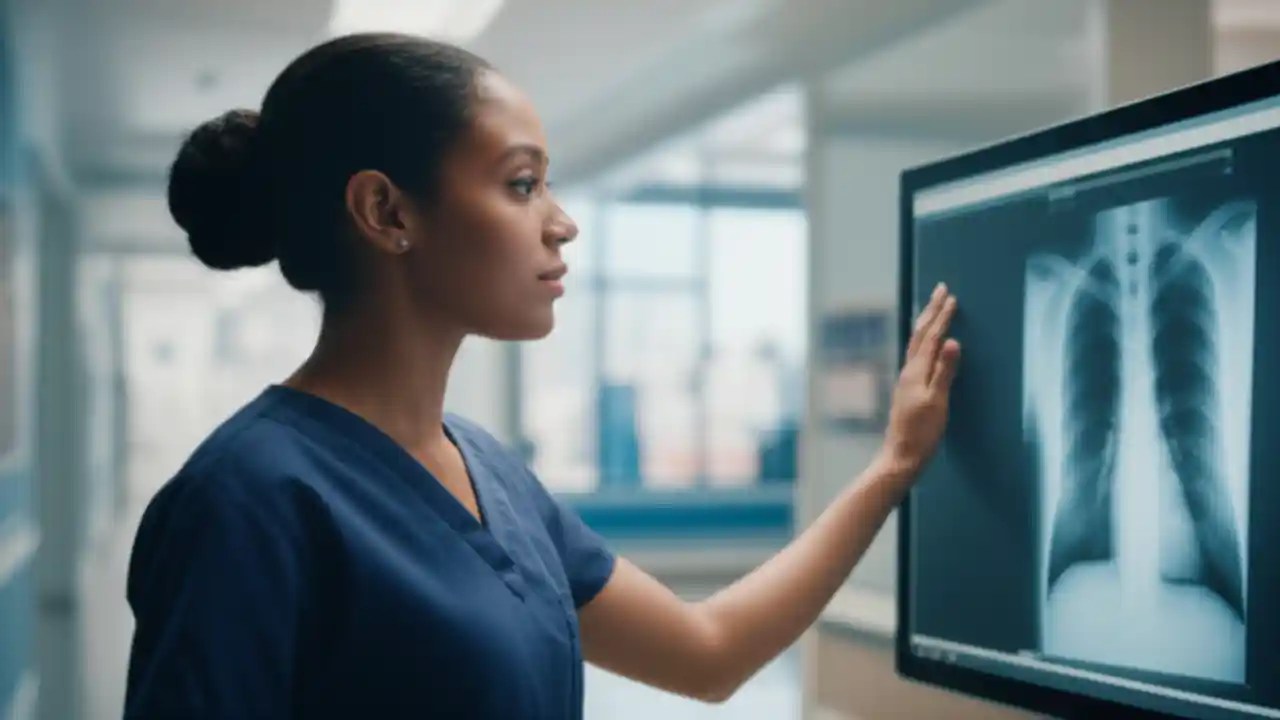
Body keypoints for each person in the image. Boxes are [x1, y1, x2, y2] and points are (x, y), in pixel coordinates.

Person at [122, 32, 961, 720]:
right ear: (387, 212)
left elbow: (709, 654)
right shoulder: (247, 502)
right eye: (521, 184)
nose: (561, 224)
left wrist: (891, 470)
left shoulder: (493, 476)